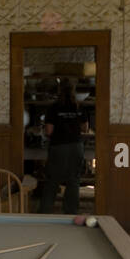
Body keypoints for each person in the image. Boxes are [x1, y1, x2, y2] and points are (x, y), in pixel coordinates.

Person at [39, 78, 85, 215]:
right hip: (76, 146)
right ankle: (71, 213)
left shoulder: (53, 107)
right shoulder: (79, 106)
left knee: (53, 180)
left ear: (59, 90)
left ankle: (45, 213)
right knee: (73, 181)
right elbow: (85, 127)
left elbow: (49, 131)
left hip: (58, 147)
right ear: (74, 90)